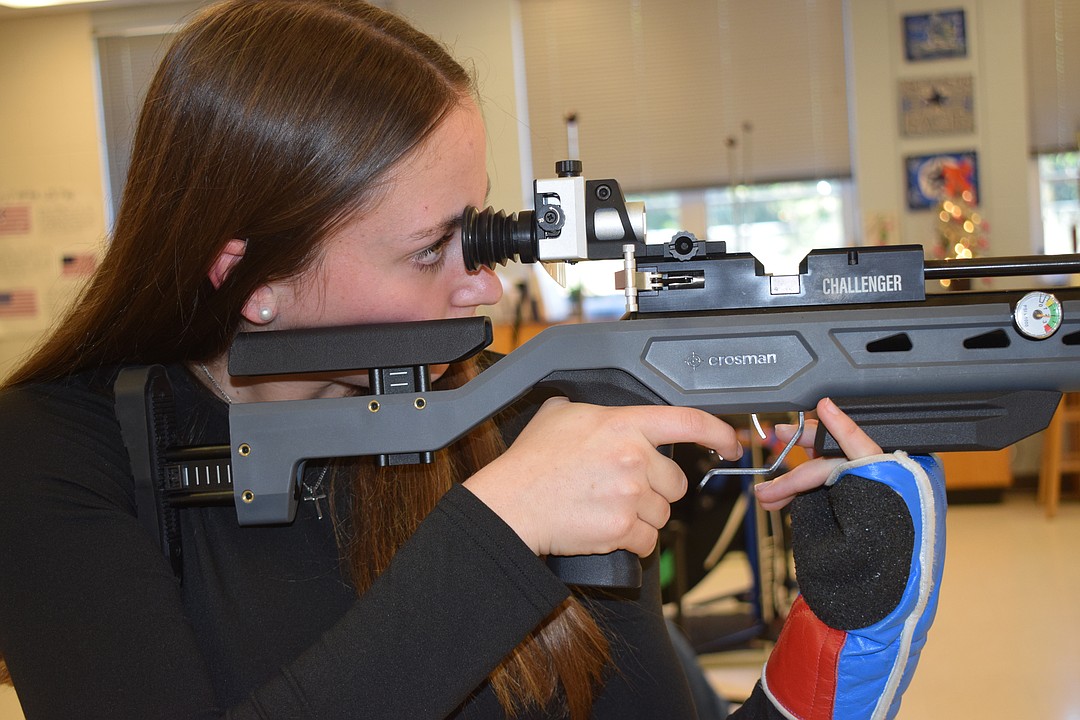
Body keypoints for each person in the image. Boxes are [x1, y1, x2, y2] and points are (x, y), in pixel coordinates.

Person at [0, 1, 943, 718]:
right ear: (252, 279)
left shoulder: (507, 420)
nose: (485, 284)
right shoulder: (56, 456)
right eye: (429, 250)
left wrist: (838, 642)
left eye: (482, 230)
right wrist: (502, 528)